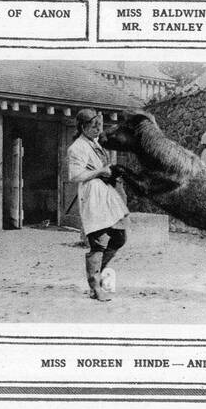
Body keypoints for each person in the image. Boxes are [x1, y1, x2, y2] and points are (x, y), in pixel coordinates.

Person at [67, 109, 128, 303]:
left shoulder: (94, 143)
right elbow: (75, 175)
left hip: (107, 194)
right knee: (99, 241)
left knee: (119, 237)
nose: (97, 129)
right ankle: (95, 287)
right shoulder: (77, 148)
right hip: (93, 195)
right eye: (93, 126)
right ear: (82, 127)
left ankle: (99, 274)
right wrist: (101, 171)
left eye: (99, 125)